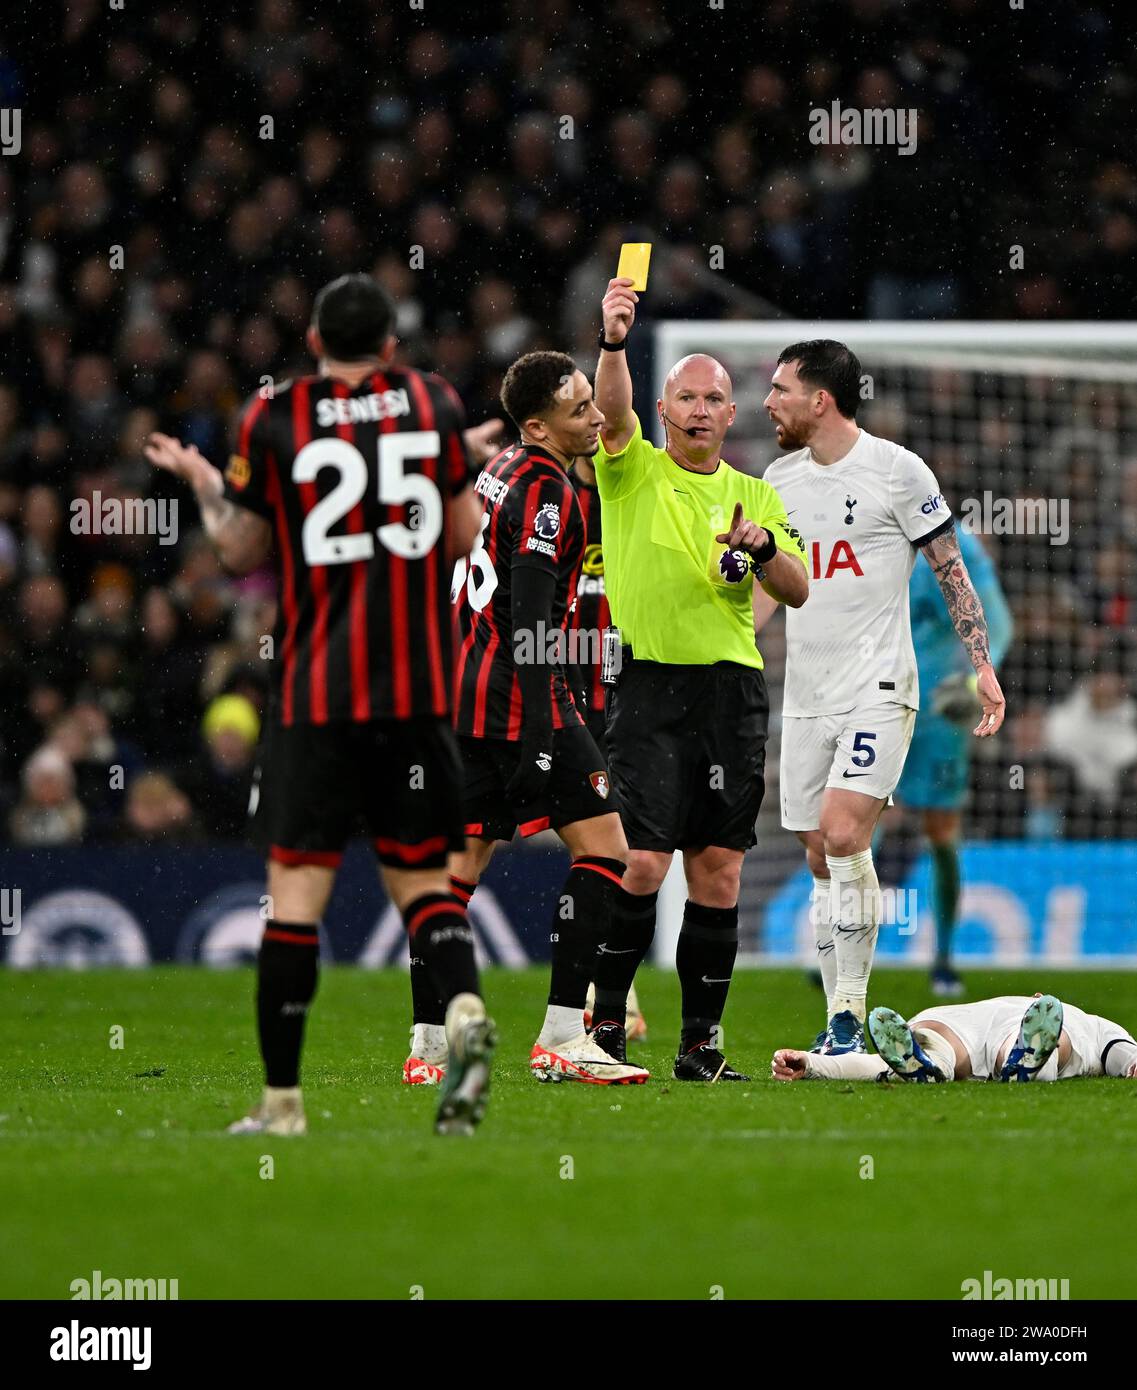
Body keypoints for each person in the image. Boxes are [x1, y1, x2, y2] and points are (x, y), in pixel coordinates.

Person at [145, 273, 497, 1137]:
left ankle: (282, 1106)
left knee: (295, 899)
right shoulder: (432, 401)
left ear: (310, 342)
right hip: (417, 696)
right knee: (425, 887)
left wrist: (202, 482)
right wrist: (445, 462)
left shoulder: (274, 419)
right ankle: (462, 1019)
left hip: (316, 695)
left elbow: (236, 552)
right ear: (390, 345)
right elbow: (460, 538)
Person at [407, 350, 652, 1087]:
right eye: (580, 410)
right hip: (516, 697)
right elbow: (533, 620)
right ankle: (559, 1038)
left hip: (461, 692)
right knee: (606, 848)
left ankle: (428, 1049)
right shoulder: (549, 492)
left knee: (458, 870)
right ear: (539, 425)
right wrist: (546, 733)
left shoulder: (501, 468)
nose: (597, 416)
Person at [587, 277, 809, 1084]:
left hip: (731, 693)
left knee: (718, 869)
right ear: (663, 410)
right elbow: (607, 412)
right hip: (649, 687)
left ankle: (699, 1047)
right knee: (641, 863)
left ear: (730, 413)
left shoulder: (756, 494)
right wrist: (613, 341)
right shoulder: (630, 468)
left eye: (715, 398)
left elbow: (796, 587)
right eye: (685, 397)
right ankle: (602, 1030)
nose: (701, 410)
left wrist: (758, 550)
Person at [758, 340, 1006, 1057]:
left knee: (842, 833)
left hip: (880, 688)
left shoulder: (897, 472)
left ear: (820, 399)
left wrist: (981, 665)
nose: (768, 402)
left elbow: (951, 570)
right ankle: (834, 1018)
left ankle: (847, 1015)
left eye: (779, 390)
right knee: (815, 855)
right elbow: (772, 592)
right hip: (805, 695)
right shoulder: (776, 480)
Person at [892, 526, 1014, 995]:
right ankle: (841, 945)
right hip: (881, 701)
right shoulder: (874, 533)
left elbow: (997, 623)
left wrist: (971, 684)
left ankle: (943, 957)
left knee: (940, 831)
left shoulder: (960, 545)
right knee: (860, 824)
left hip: (941, 712)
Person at [772, 993, 1137, 1084]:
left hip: (956, 1019)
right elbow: (1121, 1052)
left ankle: (932, 1066)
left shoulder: (1083, 1019)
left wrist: (813, 1062)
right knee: (932, 1036)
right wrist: (812, 1061)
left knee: (936, 1038)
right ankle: (1024, 1060)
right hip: (961, 1019)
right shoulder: (1079, 1018)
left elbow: (1121, 1051)